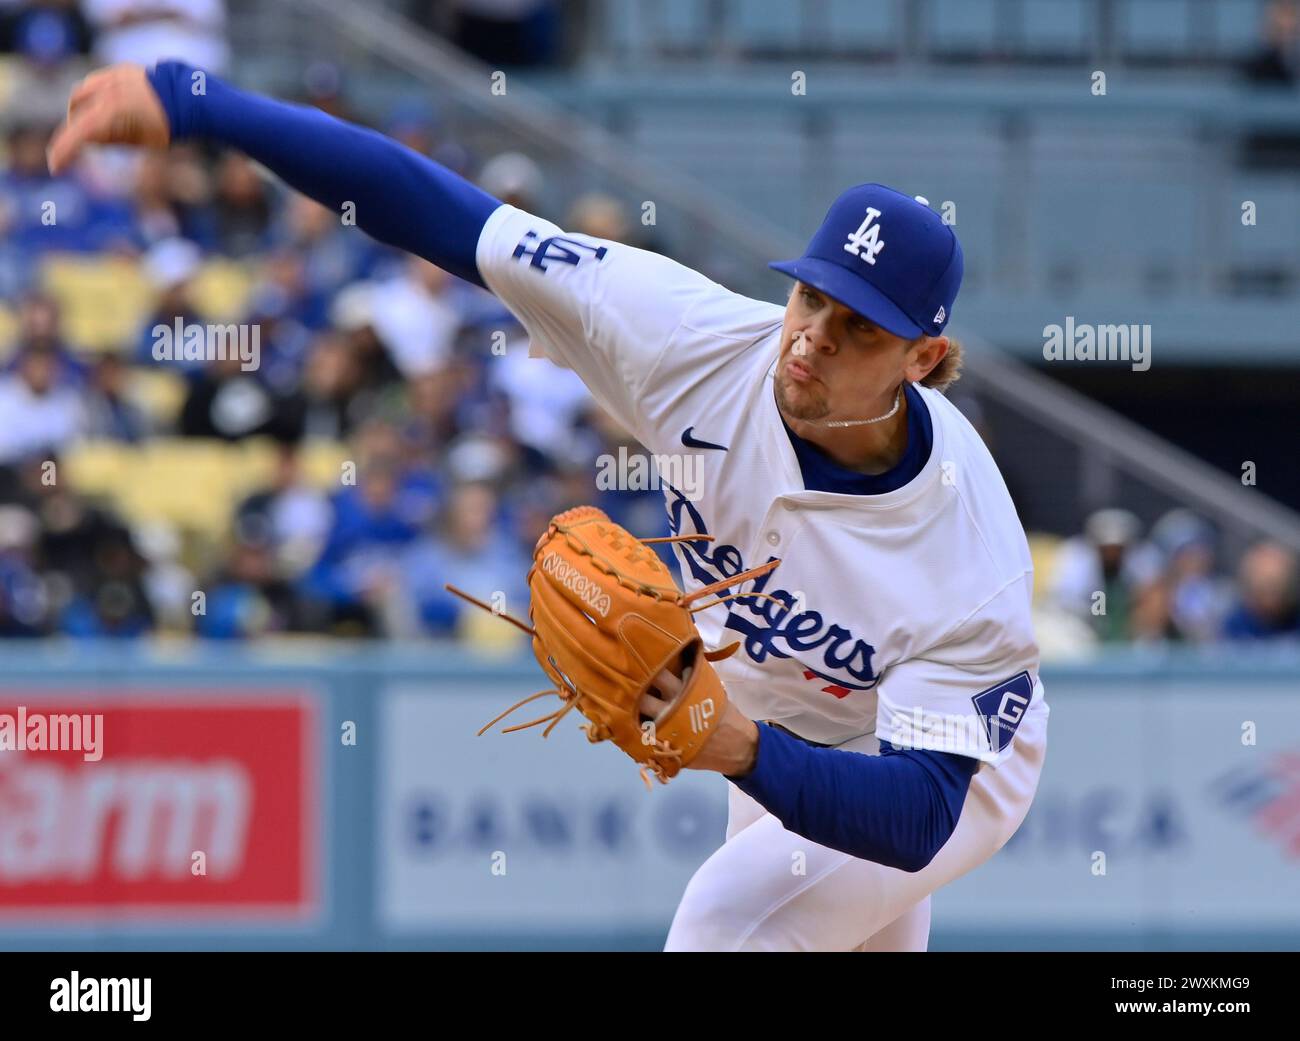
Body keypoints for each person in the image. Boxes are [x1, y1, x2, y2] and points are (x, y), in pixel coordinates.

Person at [46, 62, 1050, 952]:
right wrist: (194, 100)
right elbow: (429, 206)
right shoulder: (682, 338)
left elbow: (920, 815)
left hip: (937, 769)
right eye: (810, 299)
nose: (813, 337)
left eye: (858, 328)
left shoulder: (969, 556)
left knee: (724, 928)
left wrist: (738, 749)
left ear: (923, 361)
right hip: (780, 728)